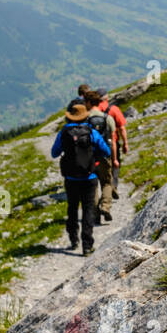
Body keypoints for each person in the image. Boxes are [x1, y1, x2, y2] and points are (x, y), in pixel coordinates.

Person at [51, 97, 113, 254]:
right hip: (89, 177)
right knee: (88, 210)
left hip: (71, 179)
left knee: (72, 208)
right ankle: (87, 245)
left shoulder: (64, 132)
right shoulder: (91, 132)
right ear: (86, 116)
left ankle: (73, 239)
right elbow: (106, 151)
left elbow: (54, 153)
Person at [78, 84, 128, 222]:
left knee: (92, 184)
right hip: (105, 155)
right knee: (107, 182)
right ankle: (105, 207)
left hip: (89, 158)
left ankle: (95, 213)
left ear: (88, 103)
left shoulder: (83, 120)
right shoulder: (107, 118)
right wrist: (115, 158)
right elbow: (112, 140)